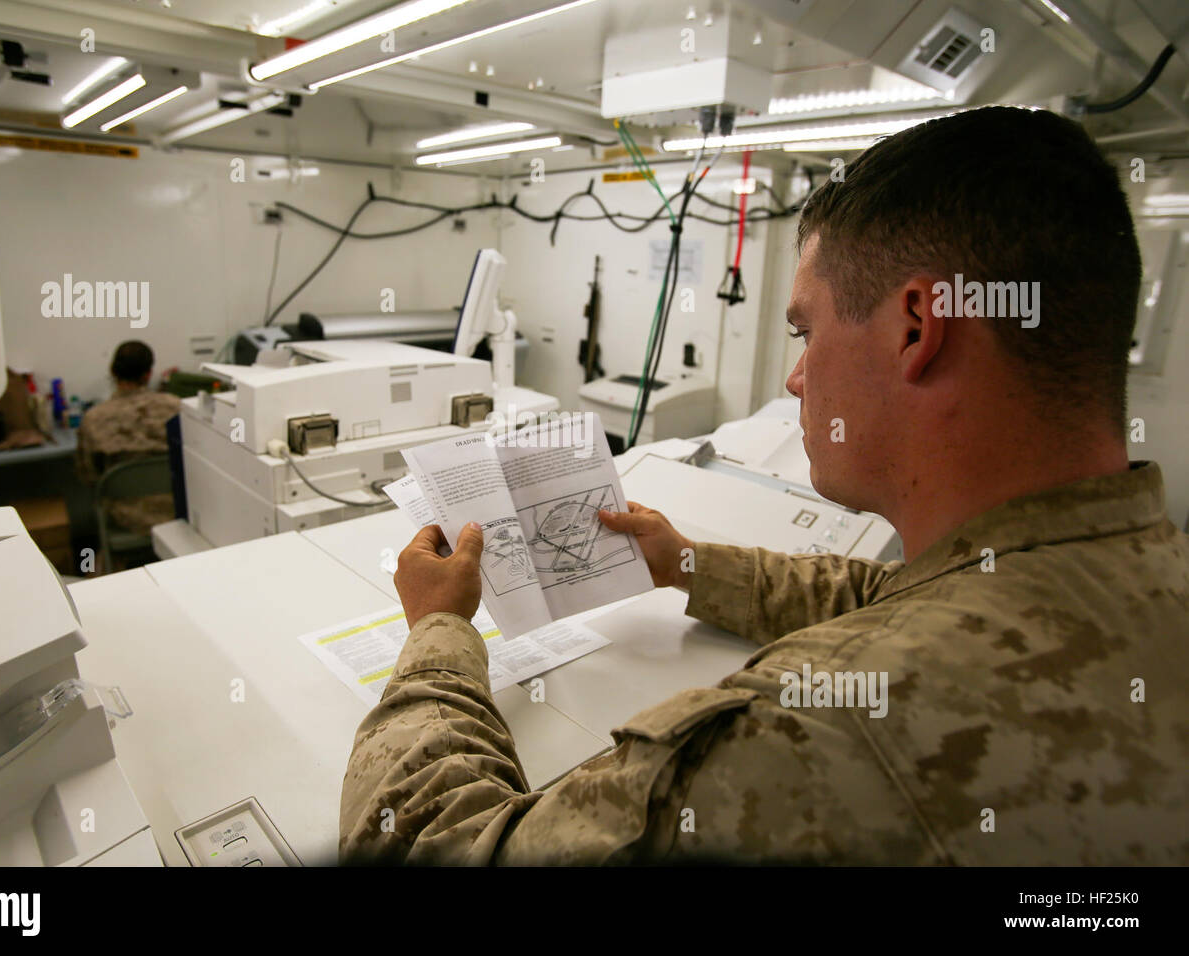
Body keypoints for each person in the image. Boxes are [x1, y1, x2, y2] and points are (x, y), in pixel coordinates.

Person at [338, 106, 1189, 865]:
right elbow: (891, 590)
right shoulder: (1125, 569)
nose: (793, 380)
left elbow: (426, 842)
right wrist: (686, 566)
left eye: (806, 329)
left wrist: (440, 633)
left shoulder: (820, 729)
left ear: (917, 328)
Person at [75, 340, 180, 535]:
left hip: (124, 518)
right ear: (148, 374)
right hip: (175, 513)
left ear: (113, 372)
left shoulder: (93, 419)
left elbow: (88, 476)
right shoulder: (175, 408)